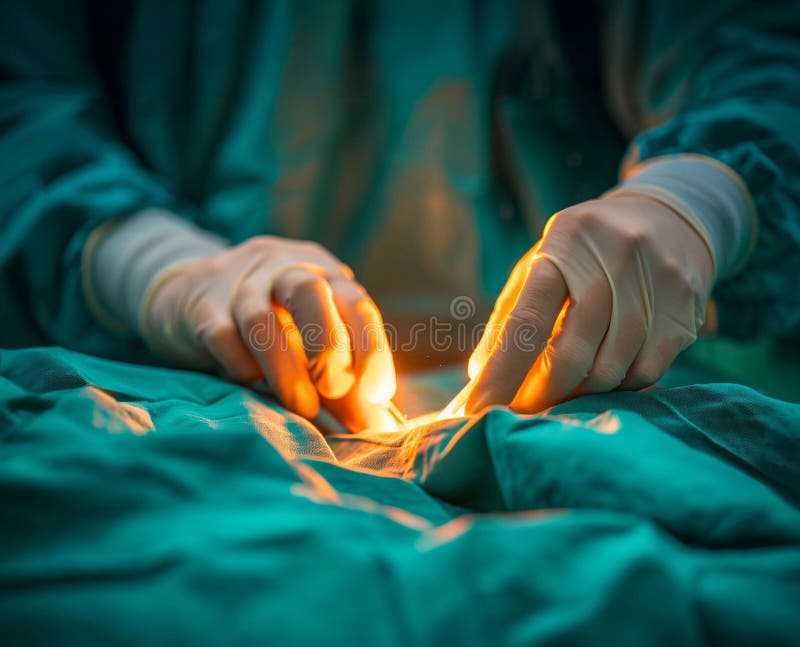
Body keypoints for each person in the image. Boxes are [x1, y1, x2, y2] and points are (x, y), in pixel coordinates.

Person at [0, 0, 798, 430]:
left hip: (584, 392)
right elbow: (22, 100)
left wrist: (697, 199)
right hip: (197, 382)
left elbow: (766, 54)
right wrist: (158, 266)